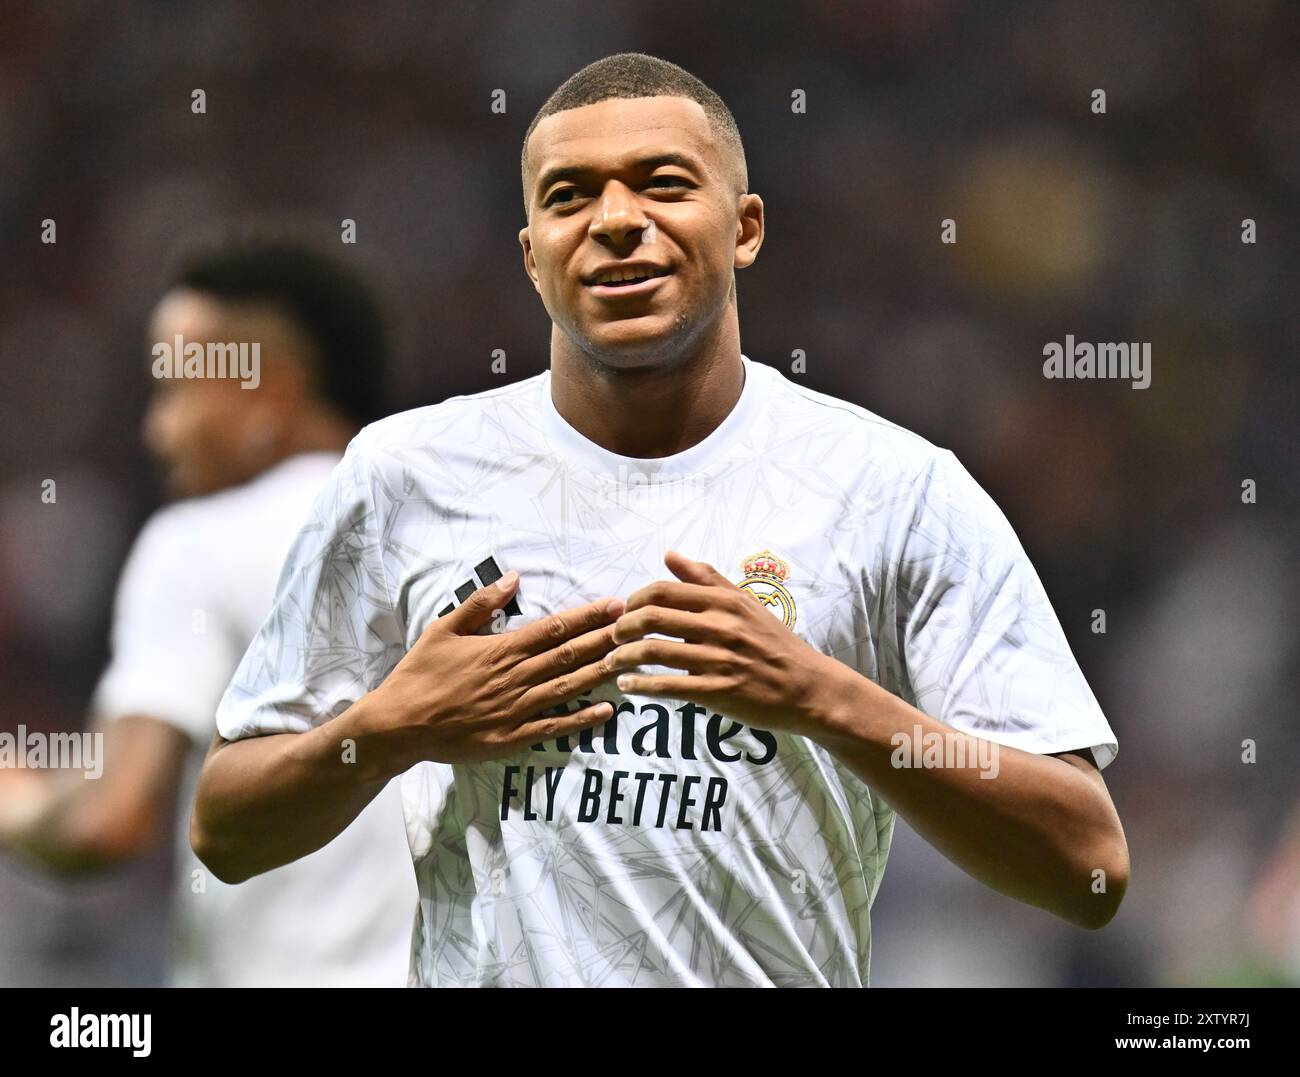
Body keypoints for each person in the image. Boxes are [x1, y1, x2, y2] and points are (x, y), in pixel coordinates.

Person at [193, 54, 1129, 987]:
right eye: (568, 197)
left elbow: (1090, 866)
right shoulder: (404, 475)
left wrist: (821, 696)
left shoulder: (898, 491)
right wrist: (394, 726)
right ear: (533, 254)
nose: (614, 222)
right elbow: (224, 830)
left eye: (663, 184)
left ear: (745, 228)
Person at [0, 229, 417, 987]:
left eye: (177, 387)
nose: (156, 430)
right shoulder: (453, 528)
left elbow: (108, 815)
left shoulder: (198, 543)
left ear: (272, 389)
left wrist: (13, 794)